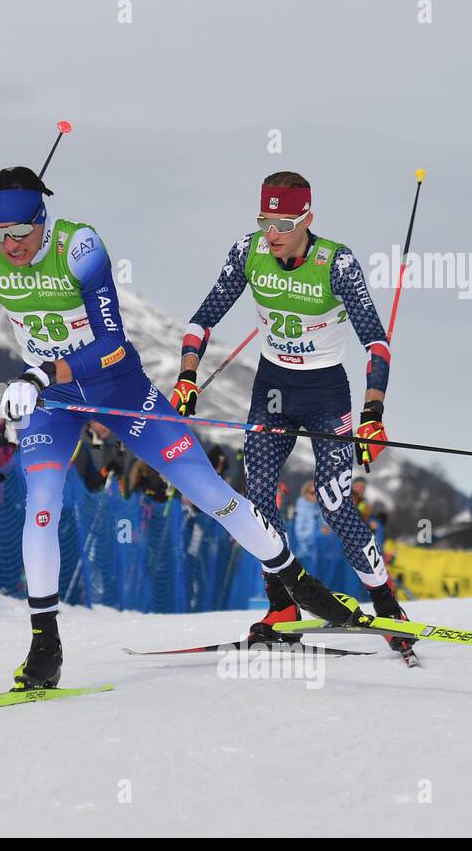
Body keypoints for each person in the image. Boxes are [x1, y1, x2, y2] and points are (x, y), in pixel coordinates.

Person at [0, 165, 363, 689]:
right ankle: (45, 643)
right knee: (40, 505)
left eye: (21, 233)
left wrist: (40, 371)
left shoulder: (80, 249)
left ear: (43, 220)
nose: (11, 246)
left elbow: (113, 346)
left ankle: (297, 581)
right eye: (0, 235)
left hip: (119, 388)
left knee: (210, 493)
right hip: (55, 402)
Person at [173, 171, 412, 657]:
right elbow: (203, 317)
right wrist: (187, 375)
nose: (273, 233)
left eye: (284, 222)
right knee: (257, 495)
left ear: (308, 218)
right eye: (266, 220)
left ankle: (387, 604)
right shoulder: (248, 252)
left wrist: (373, 412)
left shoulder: (337, 263)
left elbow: (377, 341)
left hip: (326, 396)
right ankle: (283, 606)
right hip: (272, 389)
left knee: (332, 499)